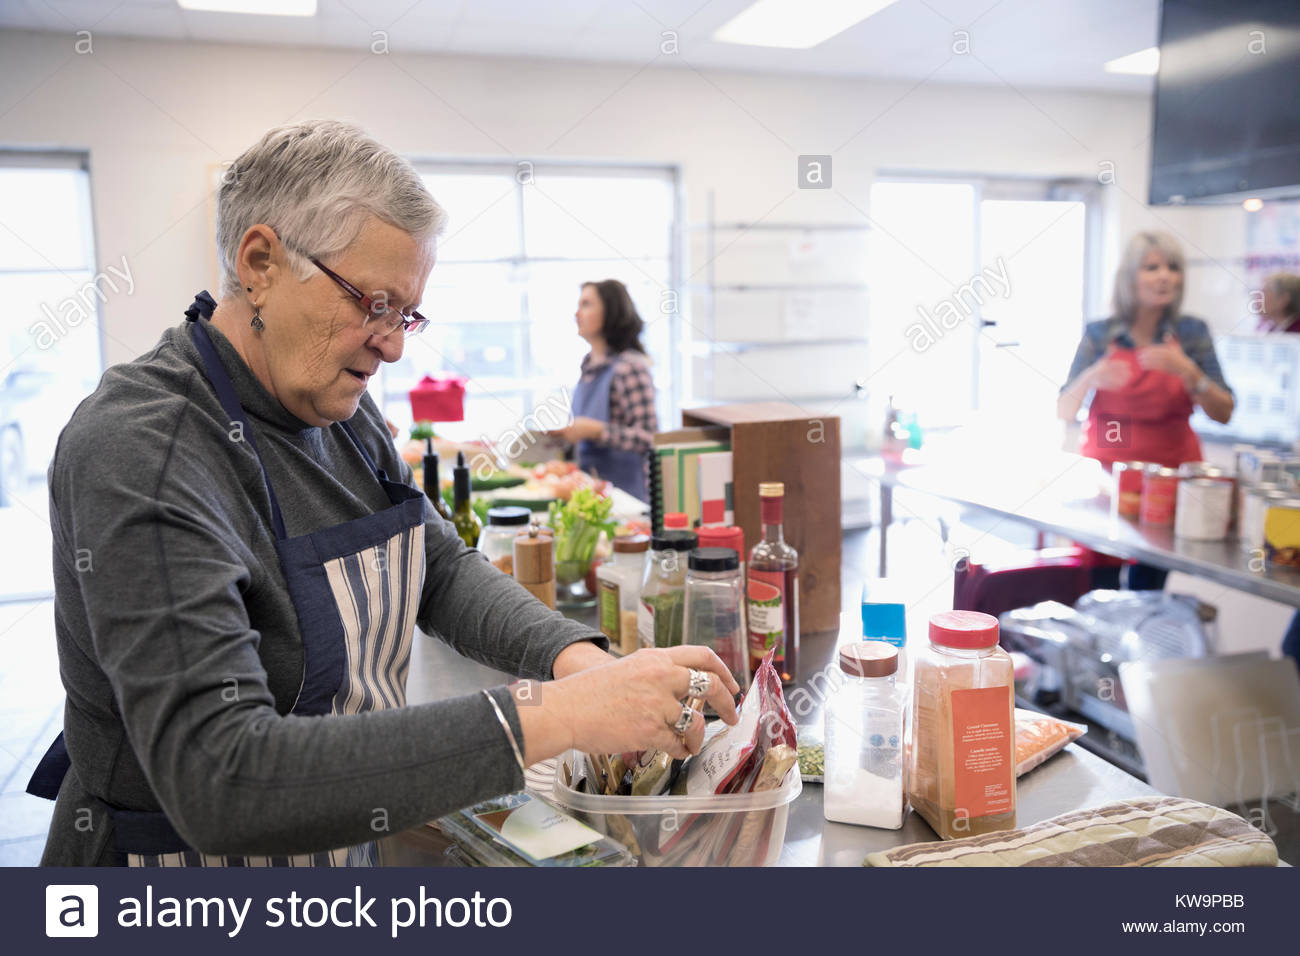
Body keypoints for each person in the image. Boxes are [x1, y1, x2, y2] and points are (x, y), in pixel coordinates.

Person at [28, 120, 738, 866]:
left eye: (407, 313)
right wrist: (554, 713)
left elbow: (439, 564)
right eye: (373, 303)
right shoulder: (142, 449)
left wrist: (577, 661)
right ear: (261, 262)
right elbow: (220, 777)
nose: (394, 343)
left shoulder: (338, 407)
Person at [1058, 230, 1234, 590]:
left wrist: (1189, 372)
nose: (1165, 276)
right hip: (1106, 483)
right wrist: (1090, 377)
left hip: (1167, 482)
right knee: (1099, 583)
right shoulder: (1099, 334)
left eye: (1173, 267)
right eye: (1152, 267)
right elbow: (1063, 409)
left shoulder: (1192, 333)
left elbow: (1224, 411)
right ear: (1130, 277)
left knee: (1148, 586)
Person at [547, 279, 657, 502]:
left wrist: (596, 430)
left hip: (627, 498)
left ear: (611, 311)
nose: (577, 313)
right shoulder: (588, 365)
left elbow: (649, 438)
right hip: (590, 494)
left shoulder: (630, 366)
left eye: (586, 304)